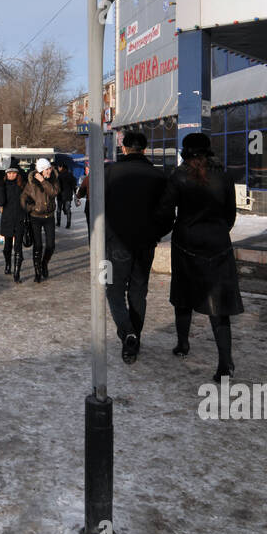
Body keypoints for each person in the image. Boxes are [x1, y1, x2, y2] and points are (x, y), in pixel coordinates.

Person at [156, 132, 244, 380]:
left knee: (183, 296)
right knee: (219, 307)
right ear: (208, 151)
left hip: (186, 244)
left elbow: (165, 210)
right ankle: (225, 364)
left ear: (186, 152)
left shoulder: (178, 176)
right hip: (218, 245)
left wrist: (162, 229)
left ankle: (183, 344)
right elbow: (230, 215)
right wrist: (217, 232)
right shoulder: (224, 176)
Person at [104, 132, 173, 364]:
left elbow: (96, 209)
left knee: (113, 290)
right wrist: (154, 234)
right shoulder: (158, 175)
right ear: (145, 149)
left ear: (123, 149)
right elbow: (167, 214)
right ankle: (134, 340)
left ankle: (127, 333)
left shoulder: (110, 172)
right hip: (145, 244)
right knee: (138, 291)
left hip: (116, 243)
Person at [20, 158, 59, 282]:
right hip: (35, 217)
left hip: (49, 217)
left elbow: (53, 193)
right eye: (47, 169)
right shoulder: (31, 183)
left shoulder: (53, 180)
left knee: (51, 245)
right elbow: (23, 198)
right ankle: (37, 272)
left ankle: (44, 263)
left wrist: (43, 181)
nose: (50, 170)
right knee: (37, 246)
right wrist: (32, 207)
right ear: (41, 170)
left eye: (49, 168)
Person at [0, 163, 30, 281]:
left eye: (13, 173)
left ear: (17, 174)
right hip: (7, 219)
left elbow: (28, 201)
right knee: (7, 246)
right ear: (6, 174)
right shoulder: (3, 186)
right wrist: (0, 188)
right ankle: (8, 265)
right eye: (9, 173)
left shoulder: (23, 186)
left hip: (20, 219)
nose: (11, 175)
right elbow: (1, 202)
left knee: (18, 247)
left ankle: (17, 272)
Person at [56, 160, 78, 228]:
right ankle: (68, 224)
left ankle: (58, 223)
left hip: (60, 195)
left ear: (63, 168)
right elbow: (74, 185)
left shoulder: (59, 176)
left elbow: (58, 186)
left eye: (60, 167)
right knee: (68, 209)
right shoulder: (71, 176)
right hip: (68, 195)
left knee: (59, 209)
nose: (59, 169)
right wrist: (74, 192)